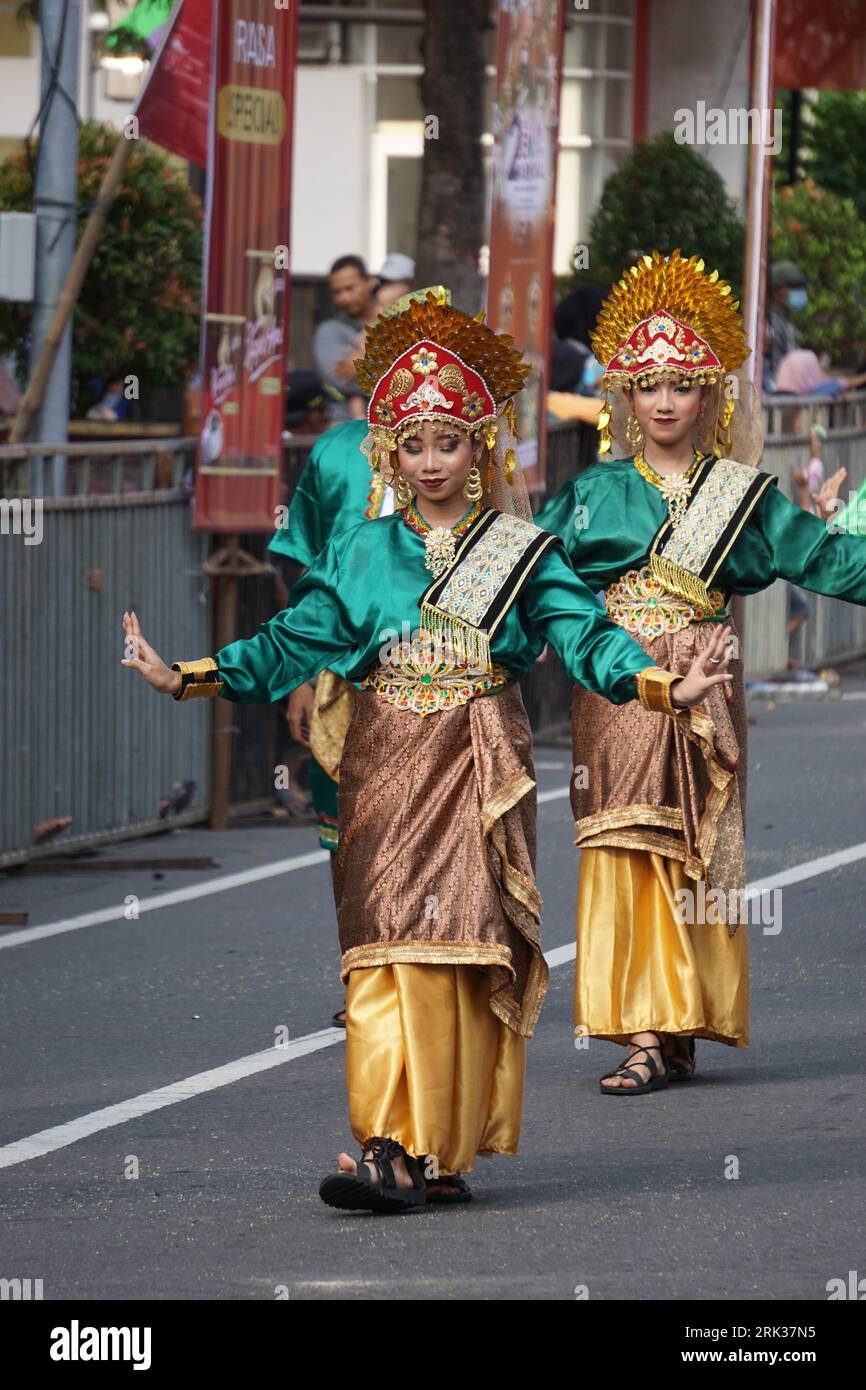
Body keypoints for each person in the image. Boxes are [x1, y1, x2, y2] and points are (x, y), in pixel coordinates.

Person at [121, 289, 730, 1211]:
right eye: (414, 444)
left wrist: (657, 684)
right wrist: (190, 676)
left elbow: (585, 636)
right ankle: (385, 1141)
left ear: (480, 446)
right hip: (380, 771)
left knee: (454, 955)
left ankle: (430, 1149)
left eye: (450, 441)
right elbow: (294, 640)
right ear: (389, 453)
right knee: (379, 955)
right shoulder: (363, 552)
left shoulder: (522, 551)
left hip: (477, 766)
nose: (433, 461)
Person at [536, 249, 866, 1093]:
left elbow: (826, 561)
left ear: (710, 394)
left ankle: (678, 1022)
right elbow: (524, 576)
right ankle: (642, 1033)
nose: (666, 401)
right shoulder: (591, 493)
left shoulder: (738, 496)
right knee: (627, 846)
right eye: (649, 385)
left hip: (710, 686)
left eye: (682, 384)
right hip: (619, 687)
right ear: (625, 396)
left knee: (692, 855)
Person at [313, 255, 379, 423]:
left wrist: (367, 361)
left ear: (369, 283)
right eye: (337, 292)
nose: (343, 297)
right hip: (346, 426)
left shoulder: (395, 321)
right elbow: (343, 381)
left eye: (350, 288)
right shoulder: (330, 330)